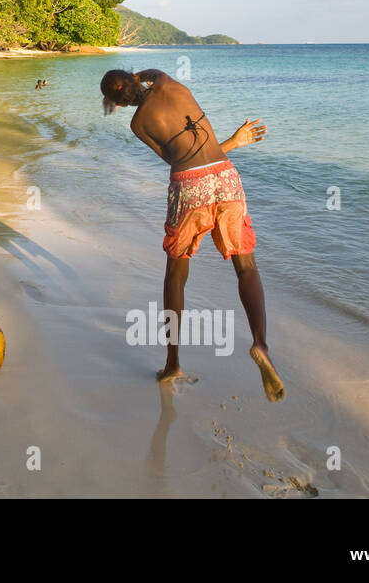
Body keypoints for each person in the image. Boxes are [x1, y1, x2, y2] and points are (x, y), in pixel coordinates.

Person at [100, 67, 283, 402]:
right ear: (137, 78)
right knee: (247, 268)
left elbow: (181, 160)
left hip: (190, 188)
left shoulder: (137, 125)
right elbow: (205, 153)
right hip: (226, 178)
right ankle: (260, 342)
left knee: (176, 275)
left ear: (119, 102)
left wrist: (117, 97)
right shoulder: (169, 82)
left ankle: (172, 363)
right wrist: (235, 142)